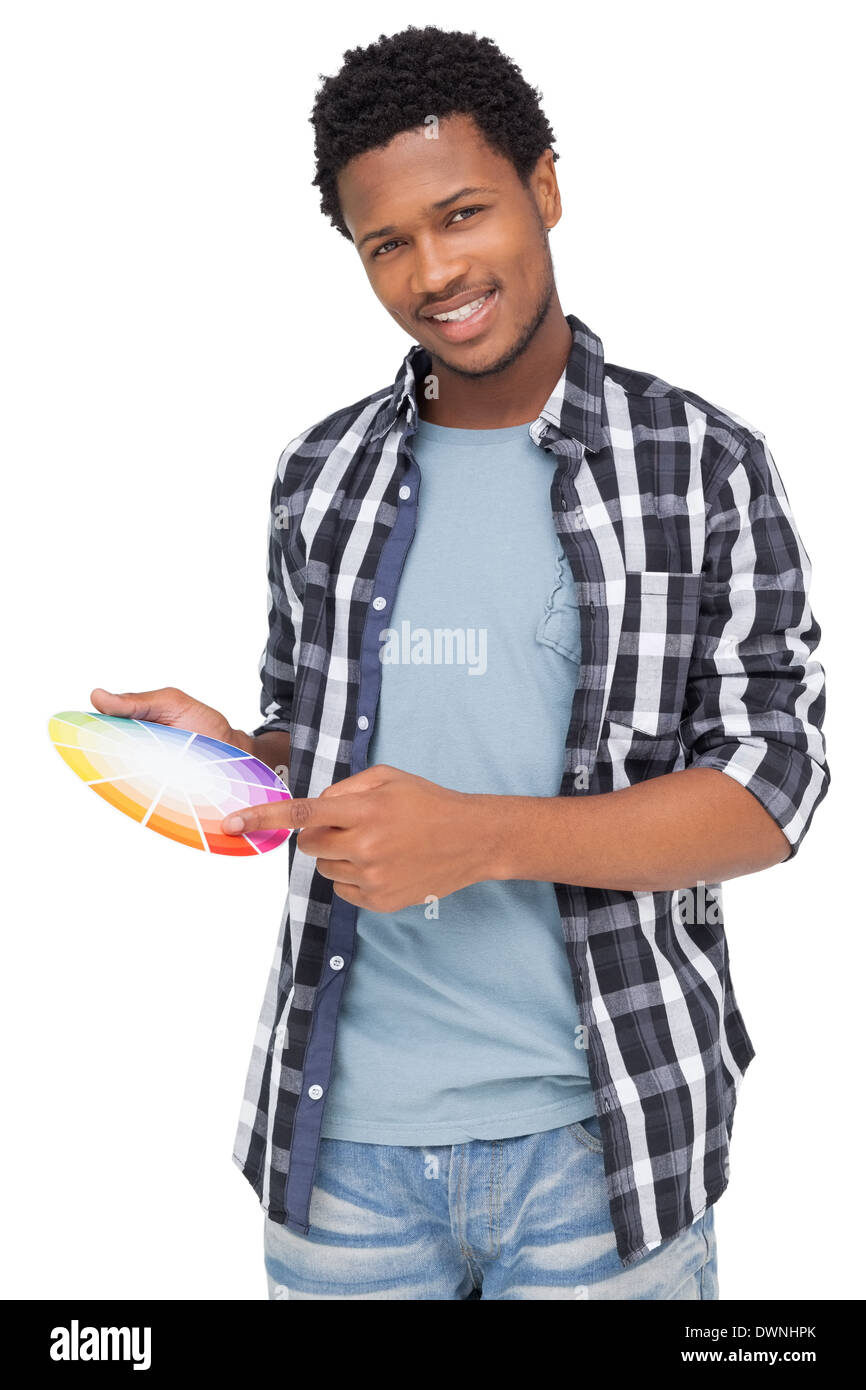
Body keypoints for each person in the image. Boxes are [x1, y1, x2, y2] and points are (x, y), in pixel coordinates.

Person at [92, 24, 829, 1300]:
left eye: (462, 213)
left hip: (601, 1147)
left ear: (544, 187)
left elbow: (768, 795)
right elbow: (324, 742)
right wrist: (239, 761)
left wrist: (484, 836)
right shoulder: (319, 475)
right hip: (341, 1157)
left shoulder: (699, 462)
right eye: (388, 243)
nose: (435, 270)